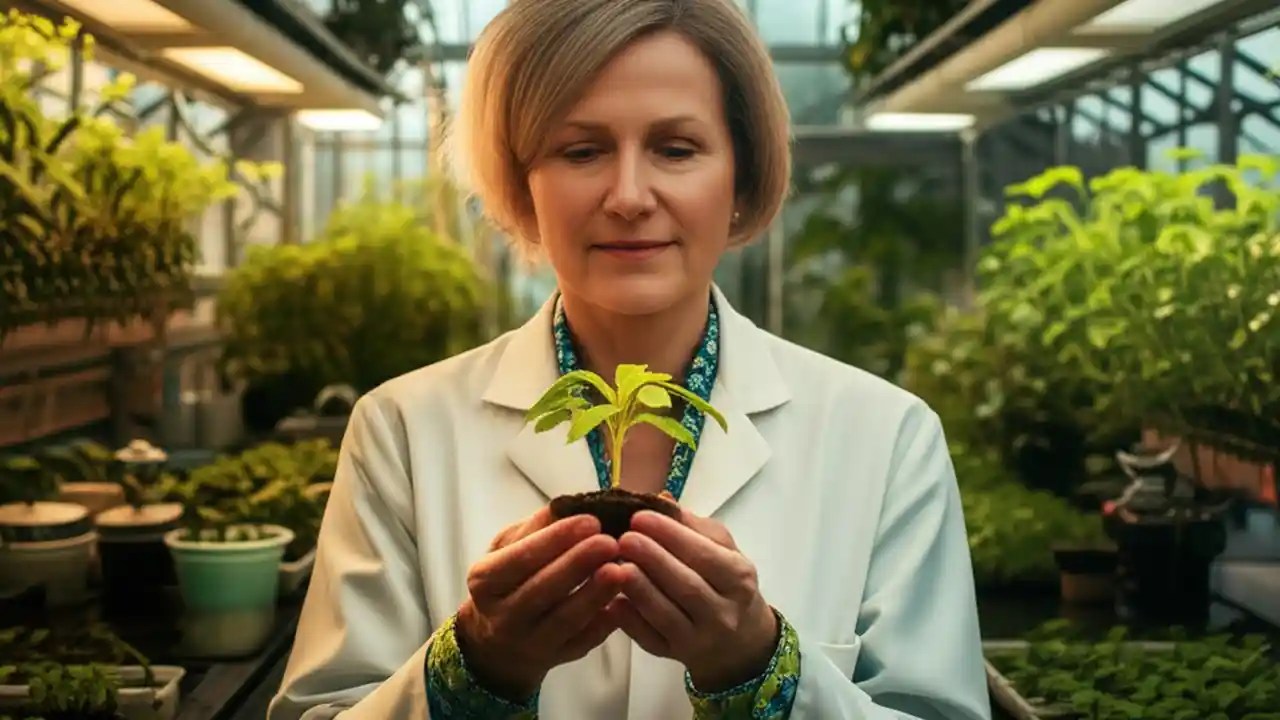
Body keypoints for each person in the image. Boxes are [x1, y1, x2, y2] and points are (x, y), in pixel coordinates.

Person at [268, 0, 991, 718]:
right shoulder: (403, 429)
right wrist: (476, 667)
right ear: (524, 184)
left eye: (676, 148)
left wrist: (763, 672)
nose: (629, 196)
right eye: (581, 151)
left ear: (740, 176)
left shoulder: (885, 436)